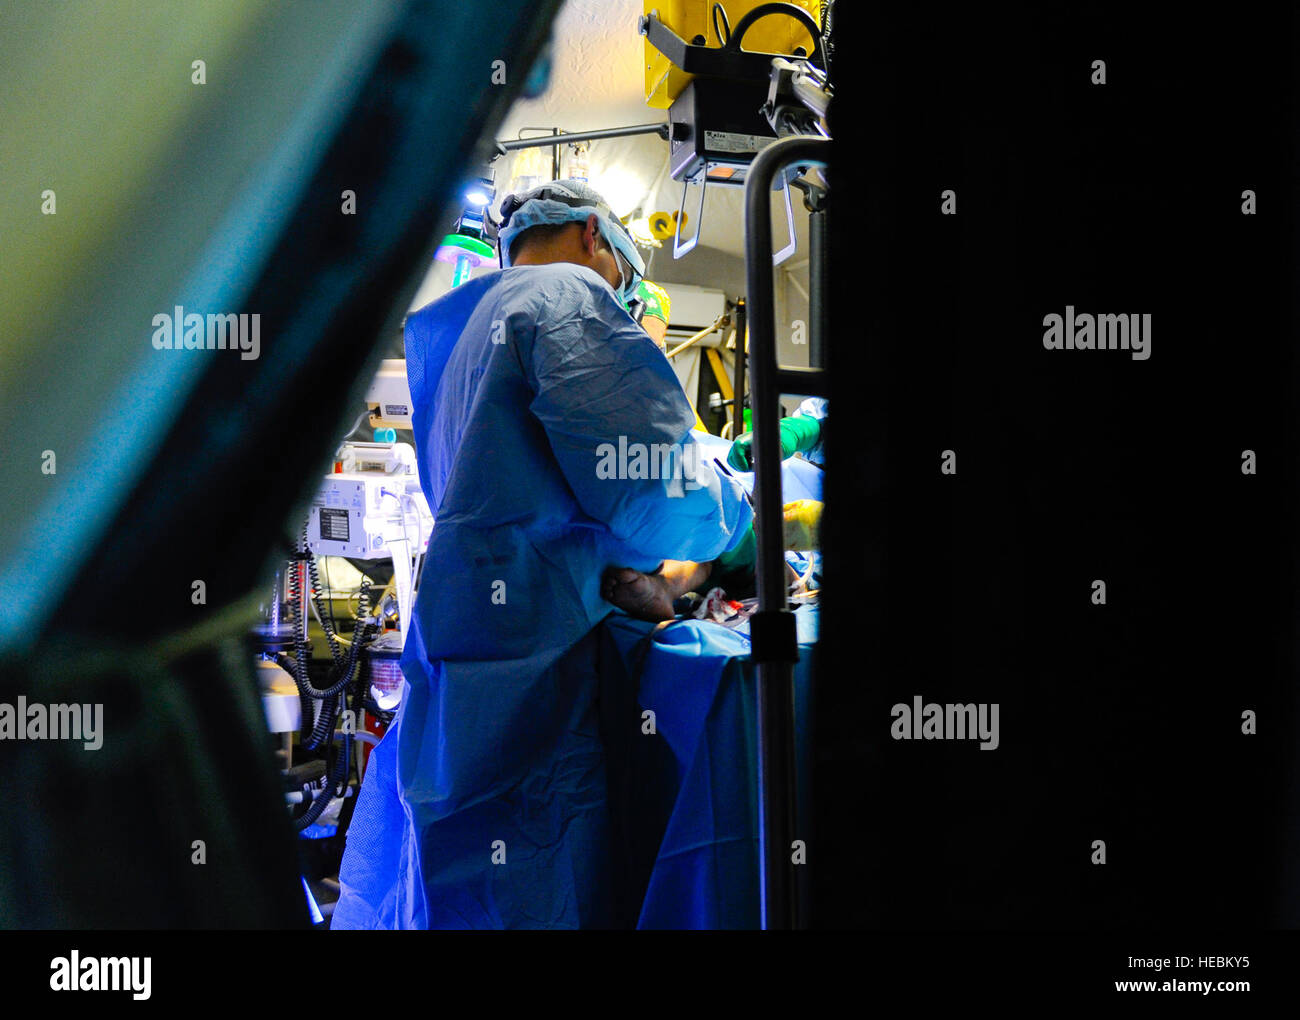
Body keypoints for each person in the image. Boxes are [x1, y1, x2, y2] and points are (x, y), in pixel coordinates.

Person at [332, 180, 752, 929]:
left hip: (470, 646)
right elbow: (651, 488)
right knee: (534, 872)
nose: (623, 290)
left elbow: (538, 482)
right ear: (595, 234)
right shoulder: (566, 299)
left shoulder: (457, 329)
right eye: (624, 268)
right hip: (535, 651)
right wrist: (736, 515)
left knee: (464, 870)